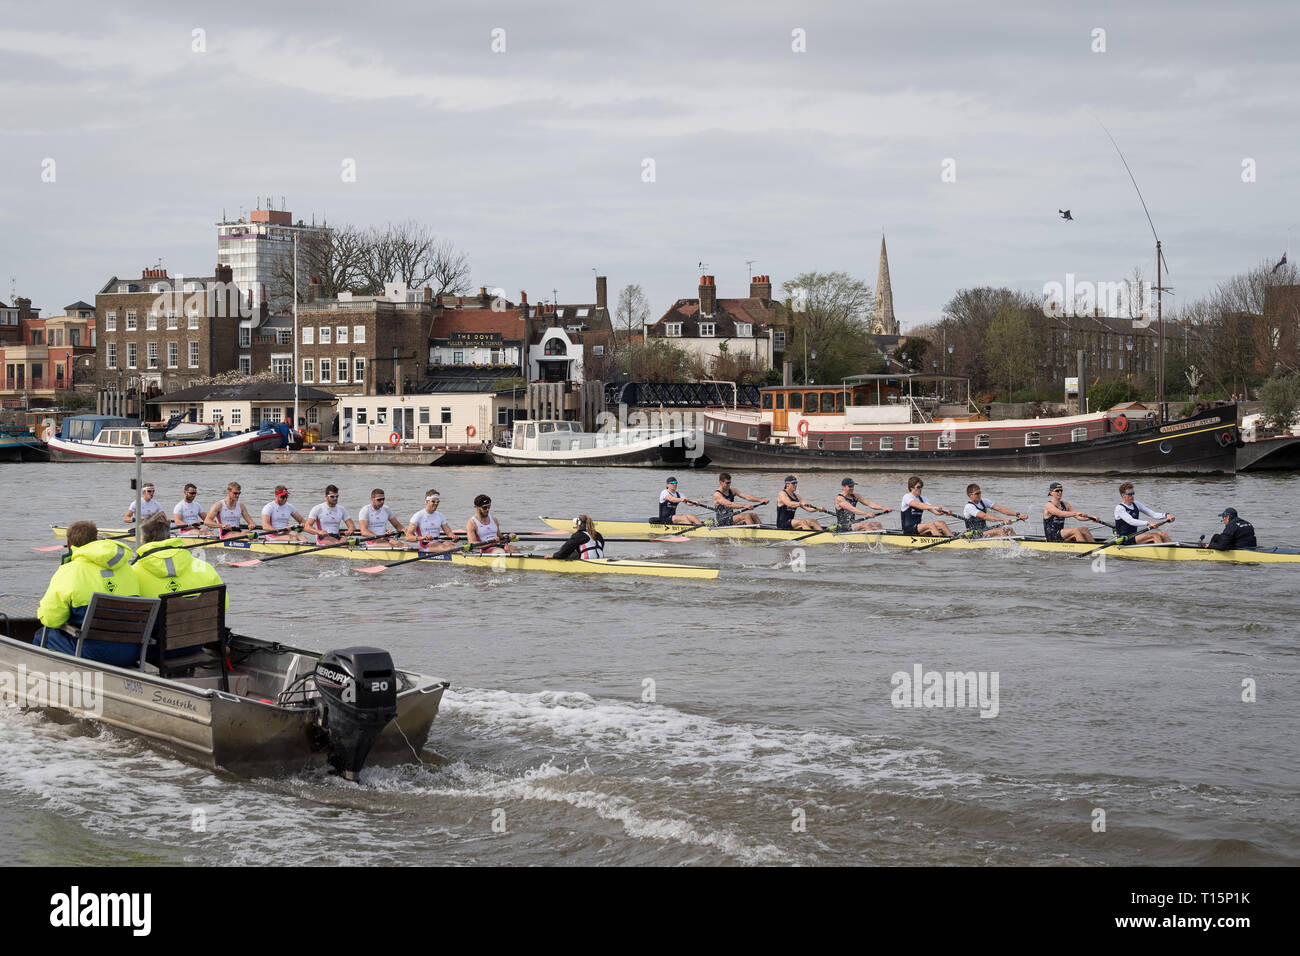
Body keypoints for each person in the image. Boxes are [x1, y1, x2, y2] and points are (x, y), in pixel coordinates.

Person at [35, 520, 142, 666]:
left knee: (43, 635)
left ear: (69, 544)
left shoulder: (70, 571)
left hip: (92, 654)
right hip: (129, 653)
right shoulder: (127, 568)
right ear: (95, 539)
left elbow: (51, 619)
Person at [134, 513, 227, 606]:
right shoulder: (204, 567)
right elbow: (224, 605)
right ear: (169, 536)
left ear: (143, 540)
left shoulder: (133, 572)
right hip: (198, 619)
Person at [962, 483, 1028, 538]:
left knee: (1009, 529)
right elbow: (984, 516)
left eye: (980, 492)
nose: (979, 495)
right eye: (977, 493)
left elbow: (1000, 509)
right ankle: (1009, 550)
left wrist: (1018, 515)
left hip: (984, 530)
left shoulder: (984, 501)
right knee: (1000, 531)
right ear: (970, 495)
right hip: (973, 534)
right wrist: (1003, 520)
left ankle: (1019, 546)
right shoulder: (969, 507)